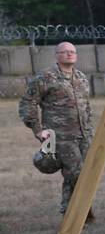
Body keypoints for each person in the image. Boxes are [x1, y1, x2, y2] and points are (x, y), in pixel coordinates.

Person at [19, 41, 94, 216]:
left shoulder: (81, 77)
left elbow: (86, 107)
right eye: (65, 52)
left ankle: (71, 210)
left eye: (72, 52)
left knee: (80, 173)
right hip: (61, 137)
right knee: (76, 173)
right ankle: (80, 213)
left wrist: (90, 131)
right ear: (57, 55)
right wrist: (38, 129)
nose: (69, 54)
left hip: (84, 135)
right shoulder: (45, 77)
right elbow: (27, 102)